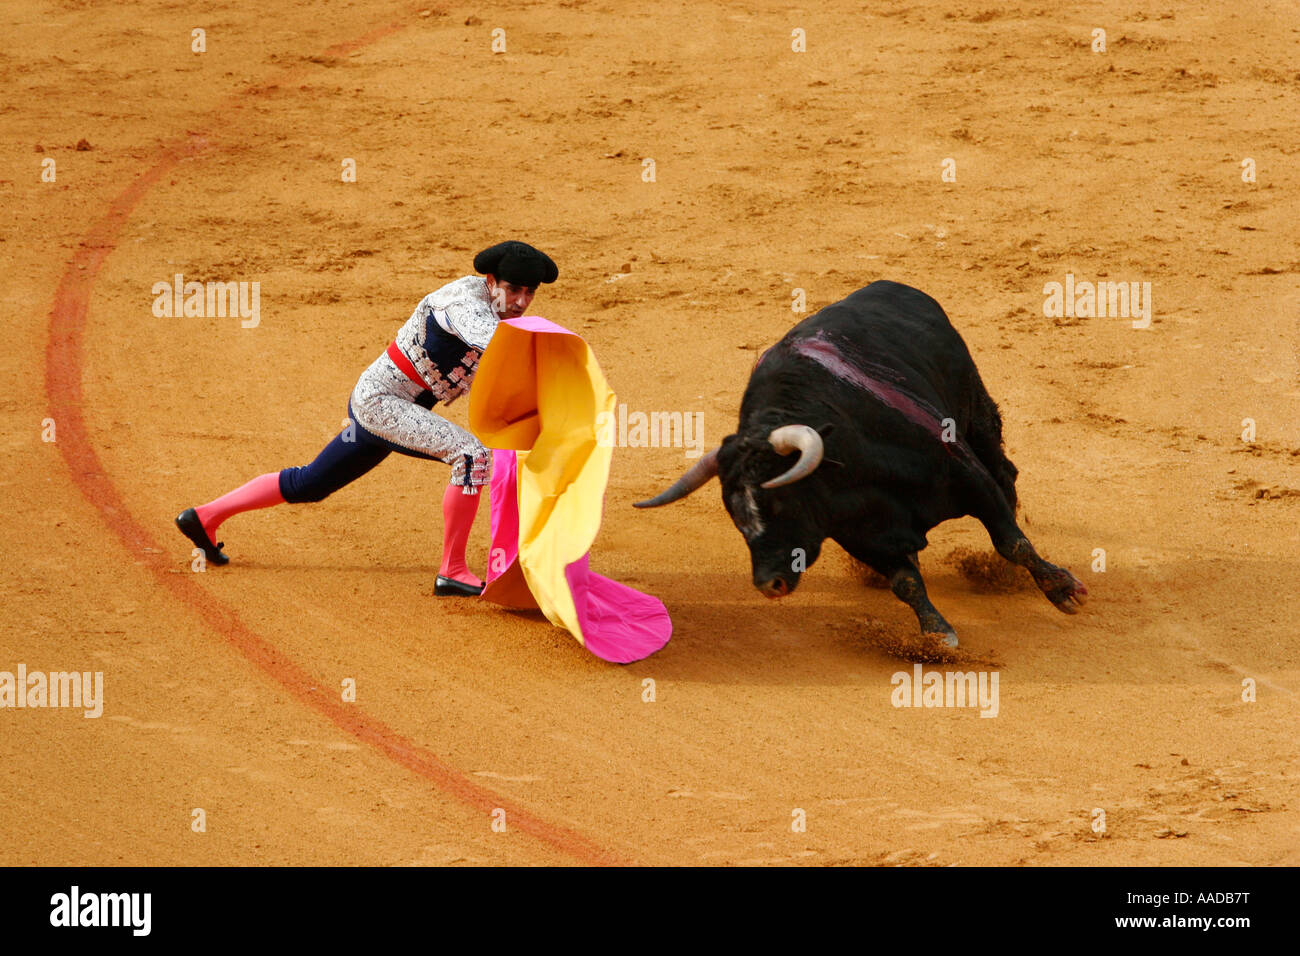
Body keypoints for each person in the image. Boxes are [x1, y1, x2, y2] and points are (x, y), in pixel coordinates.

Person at [175, 240, 558, 596]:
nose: (522, 301)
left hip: (384, 403)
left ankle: (203, 517)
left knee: (310, 483)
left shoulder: (497, 308)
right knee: (470, 456)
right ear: (491, 282)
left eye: (530, 292)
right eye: (514, 290)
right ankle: (452, 570)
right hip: (383, 404)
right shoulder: (465, 303)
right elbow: (498, 346)